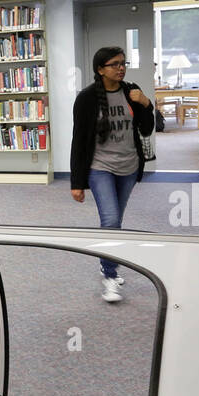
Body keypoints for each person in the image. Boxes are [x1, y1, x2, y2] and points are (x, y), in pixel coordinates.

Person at [69, 46, 155, 303]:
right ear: (100, 69)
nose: (121, 68)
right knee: (110, 221)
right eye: (114, 64)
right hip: (100, 167)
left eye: (123, 63)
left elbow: (149, 129)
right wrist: (77, 182)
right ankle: (109, 274)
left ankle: (107, 263)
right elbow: (79, 141)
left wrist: (146, 103)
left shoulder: (131, 91)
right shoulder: (86, 98)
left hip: (128, 167)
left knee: (116, 221)